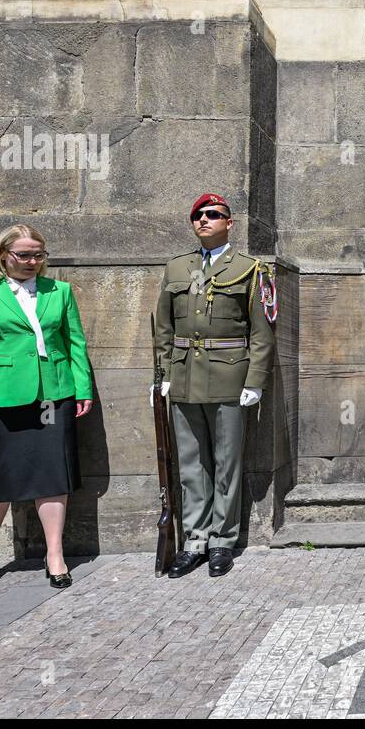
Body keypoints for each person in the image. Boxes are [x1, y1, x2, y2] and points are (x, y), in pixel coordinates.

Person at [0, 224, 94, 591]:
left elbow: (75, 342)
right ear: (4, 256)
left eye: (38, 255)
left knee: (52, 474)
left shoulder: (58, 291)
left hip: (52, 392)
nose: (32, 262)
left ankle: (54, 553)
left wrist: (82, 389)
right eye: (24, 255)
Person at [152, 194, 275, 579]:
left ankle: (223, 539)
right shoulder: (176, 267)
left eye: (213, 215)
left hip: (229, 377)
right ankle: (195, 539)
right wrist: (164, 373)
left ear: (229, 222)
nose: (204, 220)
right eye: (198, 215)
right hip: (185, 377)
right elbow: (164, 328)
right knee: (191, 464)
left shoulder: (250, 269)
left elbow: (261, 333)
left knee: (226, 463)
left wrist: (255, 380)